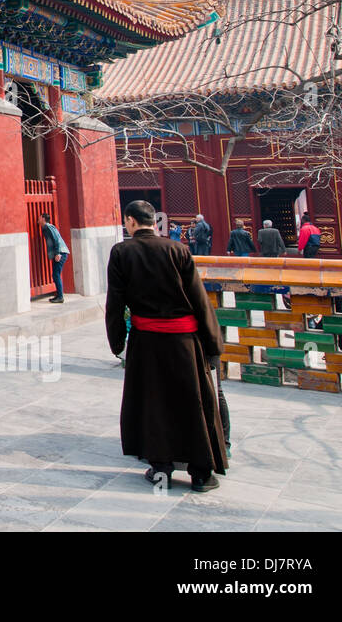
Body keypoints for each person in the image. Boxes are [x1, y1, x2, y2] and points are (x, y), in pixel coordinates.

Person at [106, 200, 226, 492]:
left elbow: (115, 303)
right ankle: (201, 473)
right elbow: (199, 300)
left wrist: (117, 340)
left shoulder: (122, 252)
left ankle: (161, 468)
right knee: (194, 401)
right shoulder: (179, 250)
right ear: (154, 223)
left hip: (146, 342)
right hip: (185, 341)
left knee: (153, 402)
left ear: (131, 222)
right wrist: (213, 344)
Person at [40, 213, 70, 304]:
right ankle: (59, 295)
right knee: (55, 274)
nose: (38, 219)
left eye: (40, 218)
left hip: (60, 253)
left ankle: (60, 297)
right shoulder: (47, 227)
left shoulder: (48, 227)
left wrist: (57, 253)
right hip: (60, 252)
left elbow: (56, 239)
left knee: (56, 274)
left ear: (43, 219)